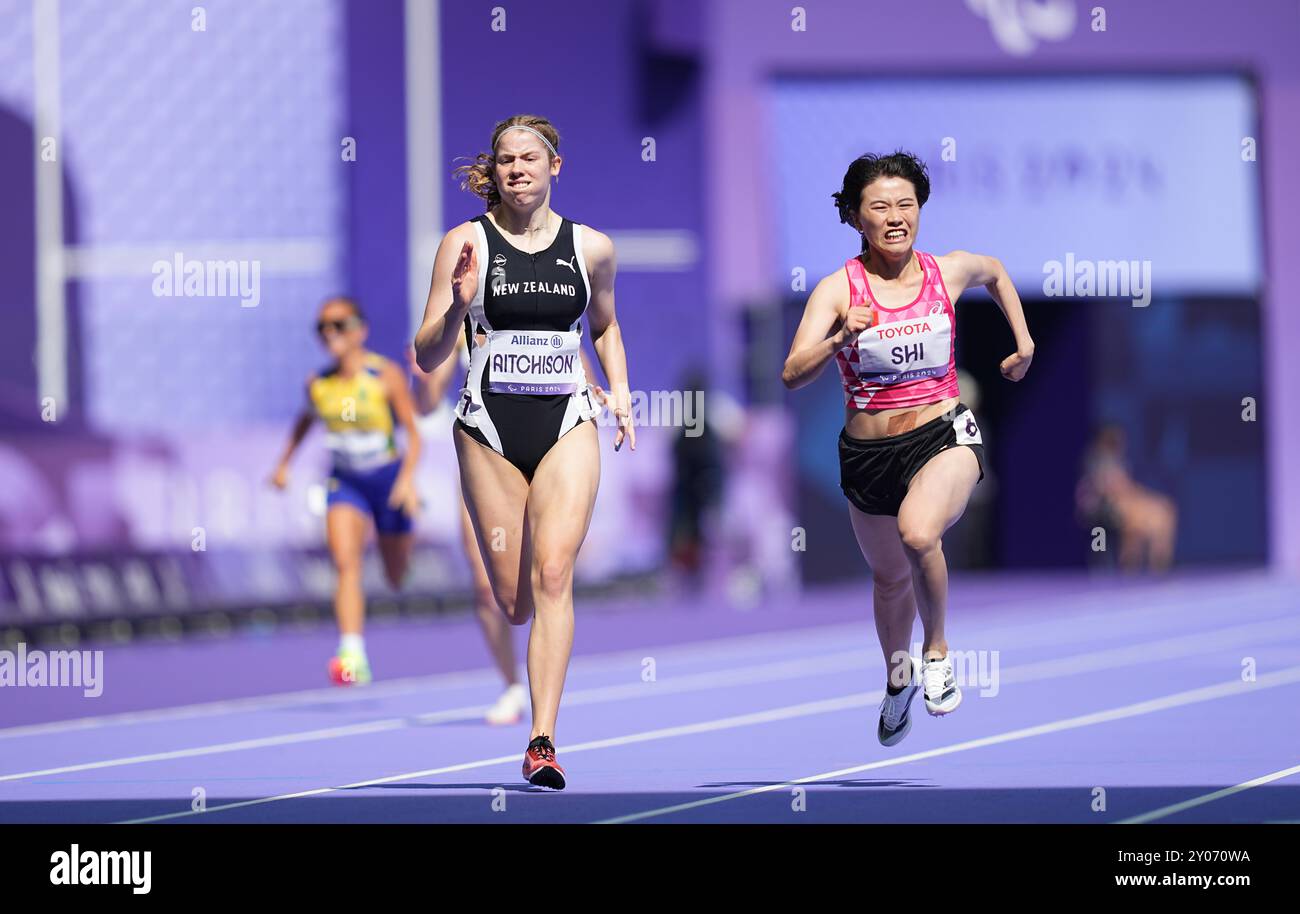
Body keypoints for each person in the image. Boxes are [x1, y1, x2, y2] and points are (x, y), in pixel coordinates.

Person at [782, 151, 1034, 747]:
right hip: (868, 457)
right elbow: (792, 371)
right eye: (880, 207)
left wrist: (1023, 343)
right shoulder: (837, 290)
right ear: (855, 217)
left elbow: (995, 271)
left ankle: (939, 650)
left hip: (943, 435)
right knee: (890, 580)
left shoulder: (946, 272)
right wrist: (841, 336)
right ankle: (899, 680)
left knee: (920, 533)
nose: (896, 217)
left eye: (906, 205)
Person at [413, 115, 634, 789]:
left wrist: (619, 390)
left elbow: (606, 325)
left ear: (554, 166)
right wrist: (455, 310)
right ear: (496, 171)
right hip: (488, 430)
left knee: (555, 574)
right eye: (505, 160)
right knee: (514, 602)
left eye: (529, 158)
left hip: (568, 421)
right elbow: (425, 356)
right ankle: (529, 682)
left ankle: (543, 739)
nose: (517, 169)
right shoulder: (465, 242)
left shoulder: (591, 248)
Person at [272, 297, 421, 686]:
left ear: (359, 330)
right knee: (345, 561)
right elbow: (303, 424)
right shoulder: (318, 384)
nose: (328, 334)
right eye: (321, 328)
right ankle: (352, 653)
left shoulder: (383, 375)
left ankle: (404, 539)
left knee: (395, 575)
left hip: (387, 479)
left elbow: (413, 435)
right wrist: (284, 464)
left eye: (337, 325)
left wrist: (406, 481)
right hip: (345, 481)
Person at [1076, 424, 1177, 573]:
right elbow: (1108, 487)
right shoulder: (1097, 460)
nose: (1122, 442)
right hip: (1100, 510)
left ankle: (1151, 563)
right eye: (1117, 439)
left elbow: (1126, 486)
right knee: (1103, 532)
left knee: (1154, 514)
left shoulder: (1118, 460)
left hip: (1114, 506)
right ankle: (1101, 567)